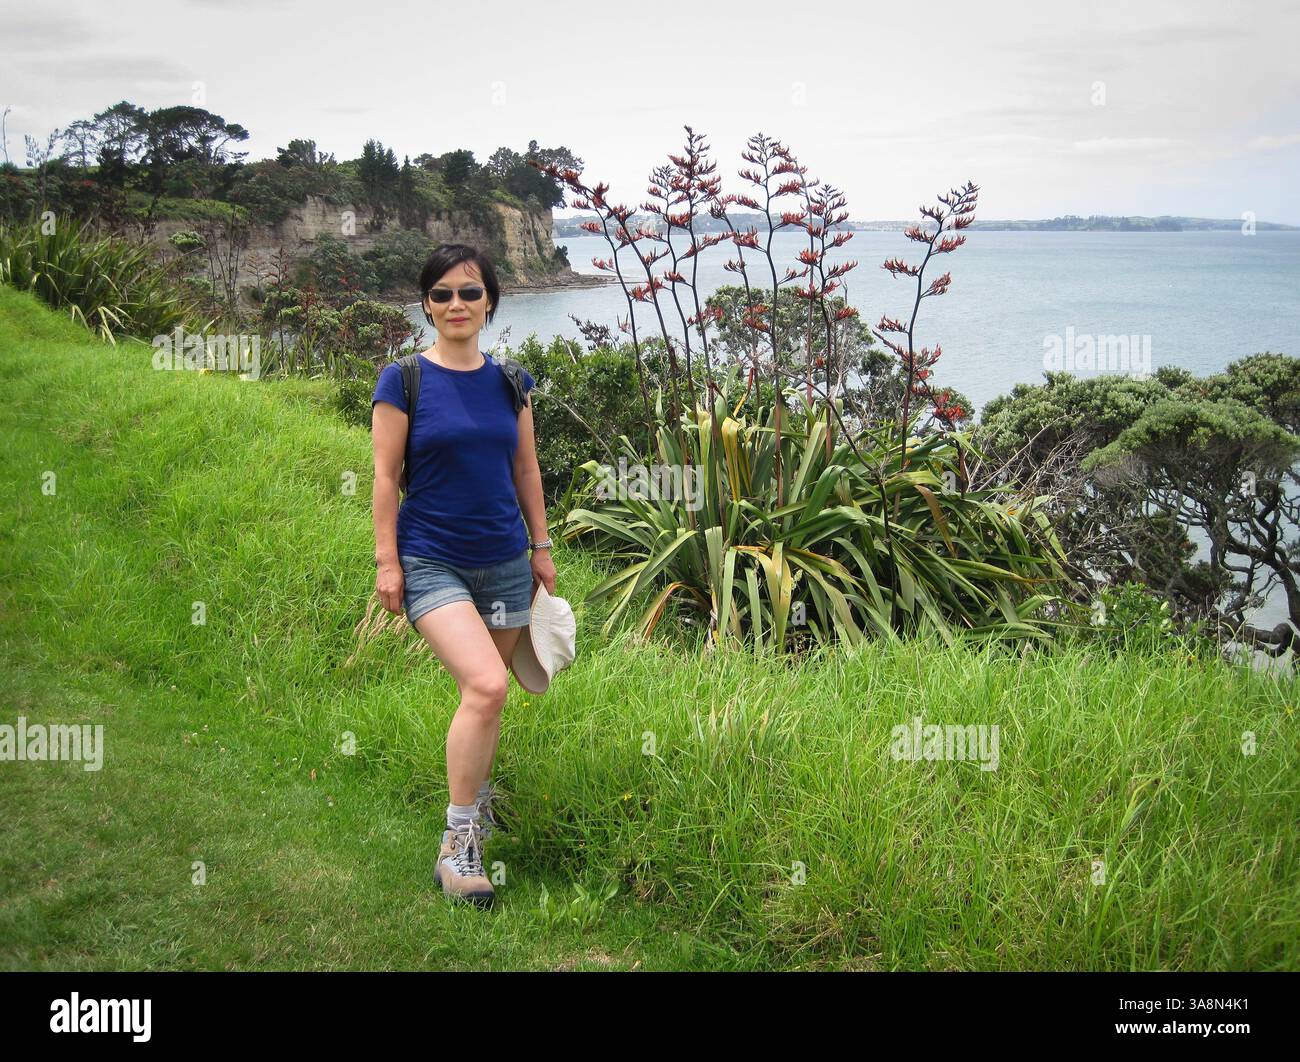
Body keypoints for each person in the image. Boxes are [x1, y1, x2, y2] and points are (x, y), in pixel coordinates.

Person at [371, 244, 556, 907]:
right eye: (443, 294)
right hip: (431, 559)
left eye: (469, 293)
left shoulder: (512, 382)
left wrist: (541, 546)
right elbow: (385, 479)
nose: (457, 304)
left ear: (489, 303)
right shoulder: (403, 381)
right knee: (484, 685)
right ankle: (458, 848)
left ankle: (478, 803)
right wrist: (387, 562)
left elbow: (526, 471)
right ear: (426, 305)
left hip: (505, 560)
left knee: (488, 697)